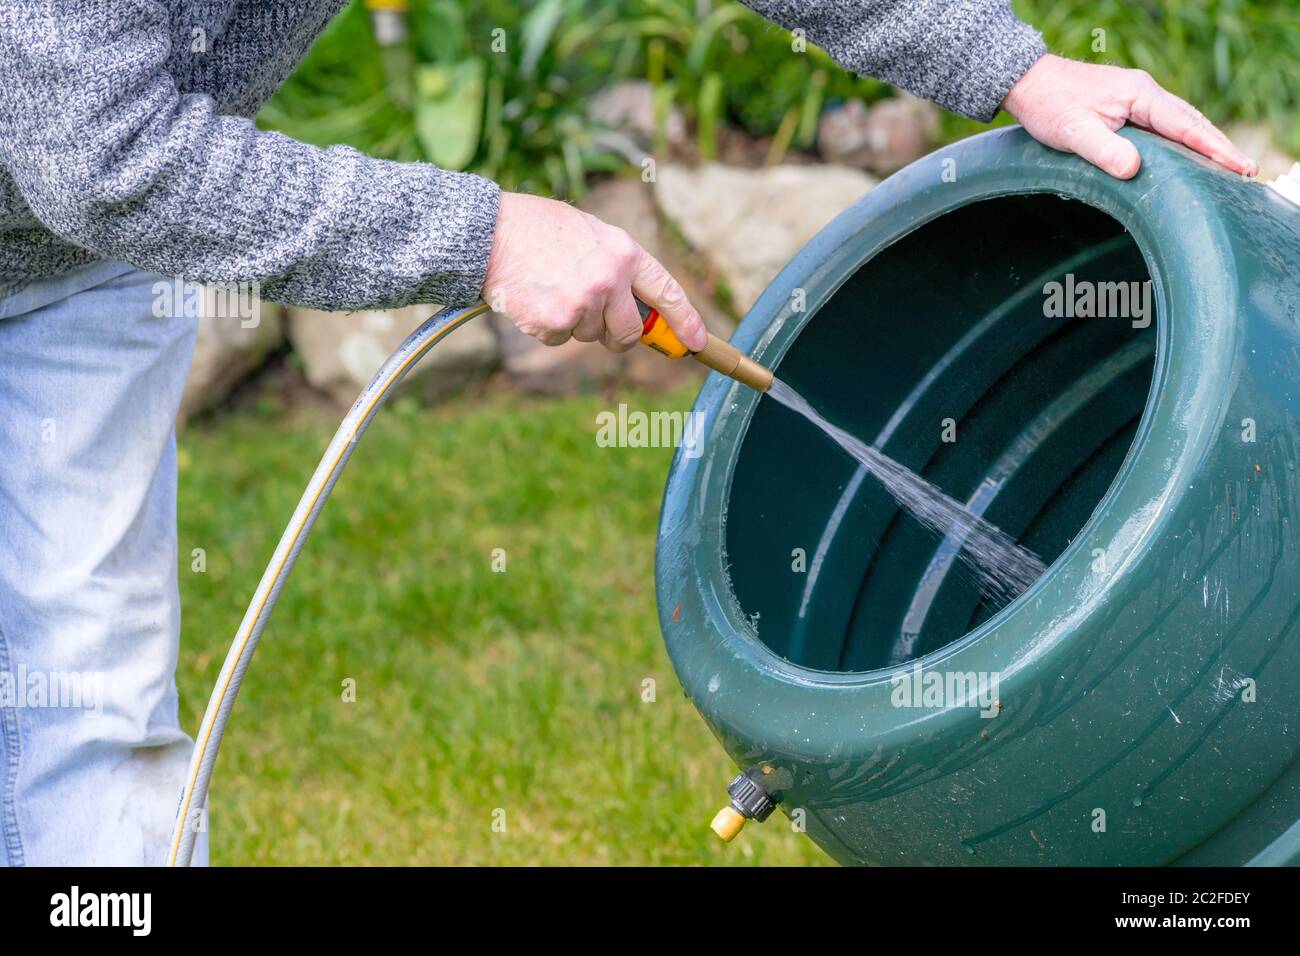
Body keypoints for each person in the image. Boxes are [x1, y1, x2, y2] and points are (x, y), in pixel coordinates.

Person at [0, 0, 1256, 866]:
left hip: (75, 264)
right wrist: (484, 236)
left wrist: (1011, 69)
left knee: (94, 711)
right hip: (92, 191)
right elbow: (99, 149)